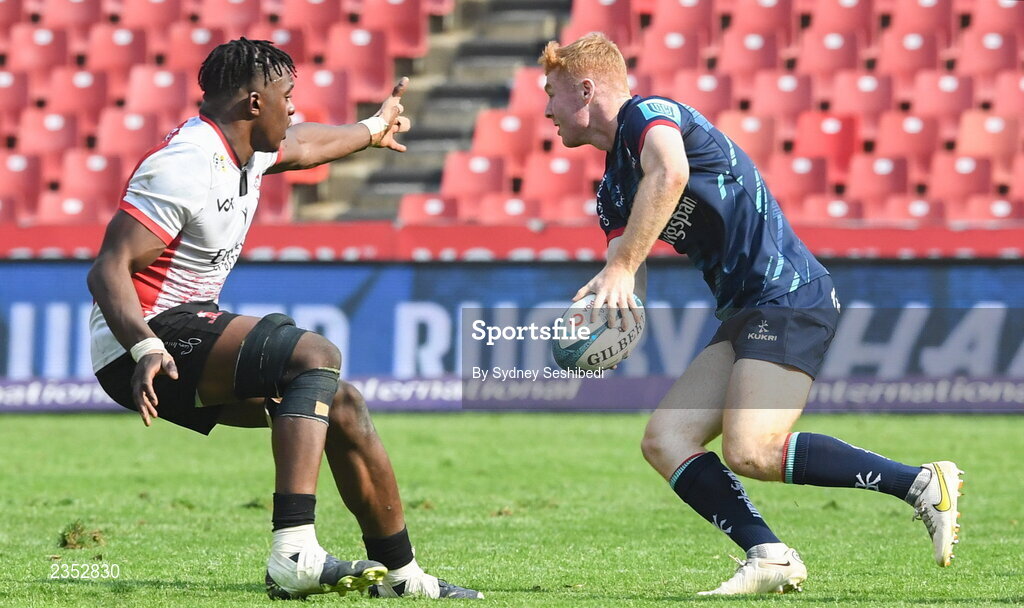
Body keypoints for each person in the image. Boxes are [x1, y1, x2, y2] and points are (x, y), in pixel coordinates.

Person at [539, 32, 962, 595]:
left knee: (752, 449)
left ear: (586, 89)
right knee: (666, 438)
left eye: (550, 93)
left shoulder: (650, 115)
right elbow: (626, 270)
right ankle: (769, 554)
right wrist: (606, 320)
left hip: (789, 295)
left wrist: (621, 272)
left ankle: (920, 484)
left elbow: (671, 174)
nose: (545, 110)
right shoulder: (613, 187)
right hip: (745, 309)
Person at [87, 38, 482, 601]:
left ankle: (402, 577)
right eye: (287, 95)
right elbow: (109, 271)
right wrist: (145, 347)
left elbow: (305, 143)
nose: (294, 108)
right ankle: (294, 552)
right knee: (312, 355)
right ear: (254, 103)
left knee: (340, 404)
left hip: (186, 331)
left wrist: (372, 128)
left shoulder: (245, 149)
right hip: (145, 340)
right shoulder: (186, 162)